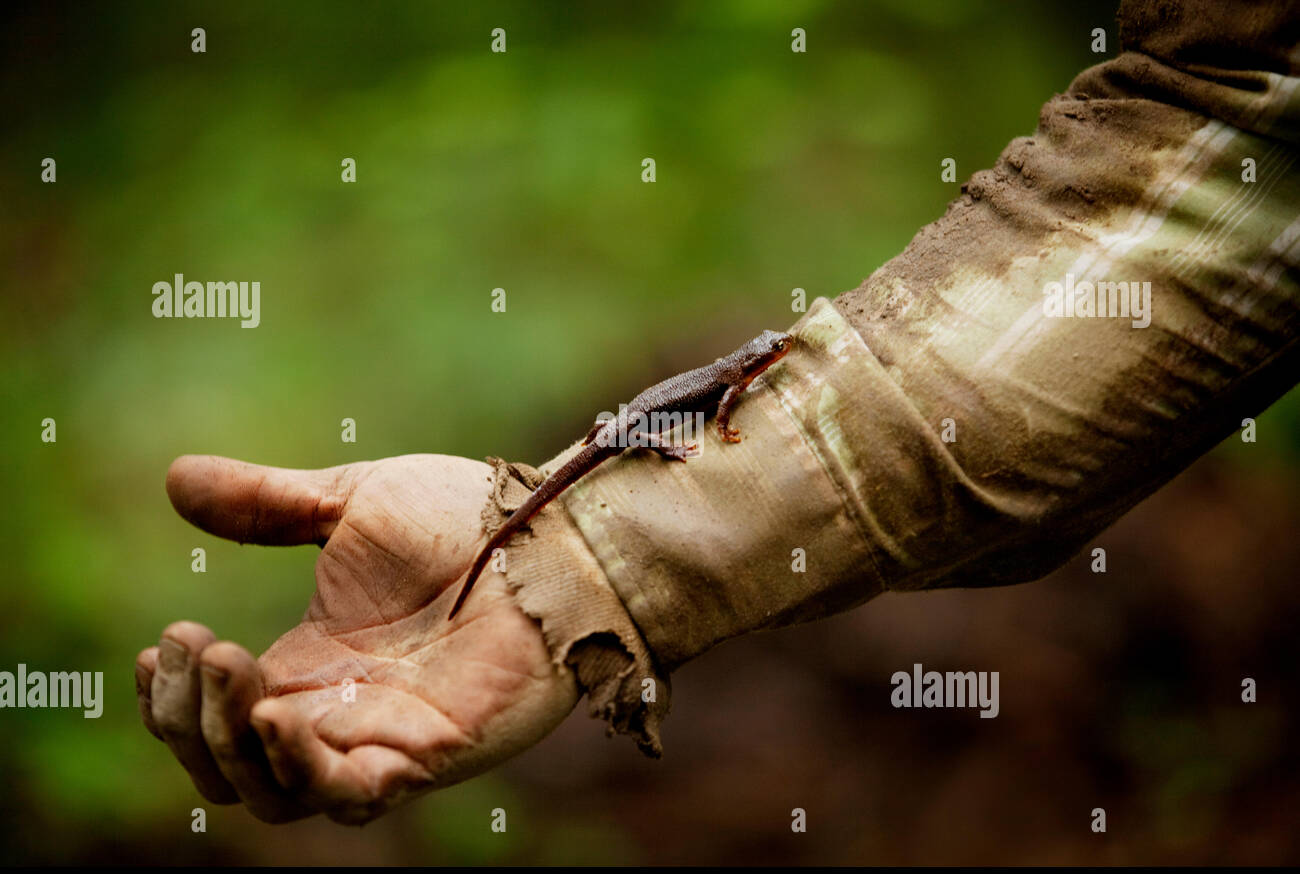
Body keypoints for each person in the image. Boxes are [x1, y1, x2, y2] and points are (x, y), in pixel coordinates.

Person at [136, 0, 1300, 824]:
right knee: (628, 438)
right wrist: (578, 548)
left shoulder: (746, 377)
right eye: (763, 365)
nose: (760, 368)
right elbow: (1231, 130)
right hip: (630, 446)